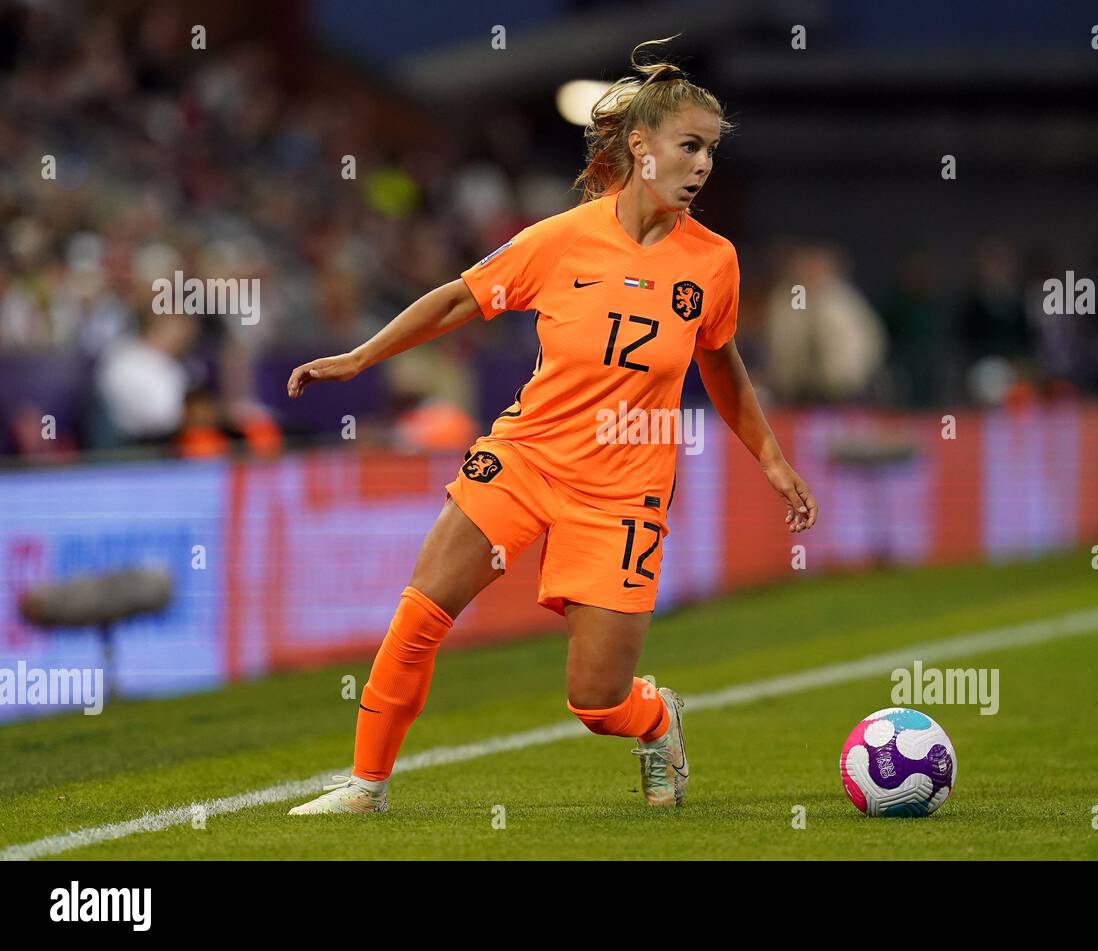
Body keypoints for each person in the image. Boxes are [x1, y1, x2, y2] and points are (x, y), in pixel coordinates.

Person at [285, 38, 817, 814]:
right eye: (690, 146)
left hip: (624, 492)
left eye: (710, 151)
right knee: (422, 608)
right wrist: (360, 356)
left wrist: (769, 455)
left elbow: (720, 362)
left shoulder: (715, 262)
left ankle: (657, 716)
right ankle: (367, 786)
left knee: (597, 701)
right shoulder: (561, 237)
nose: (703, 165)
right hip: (526, 455)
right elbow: (458, 298)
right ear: (641, 147)